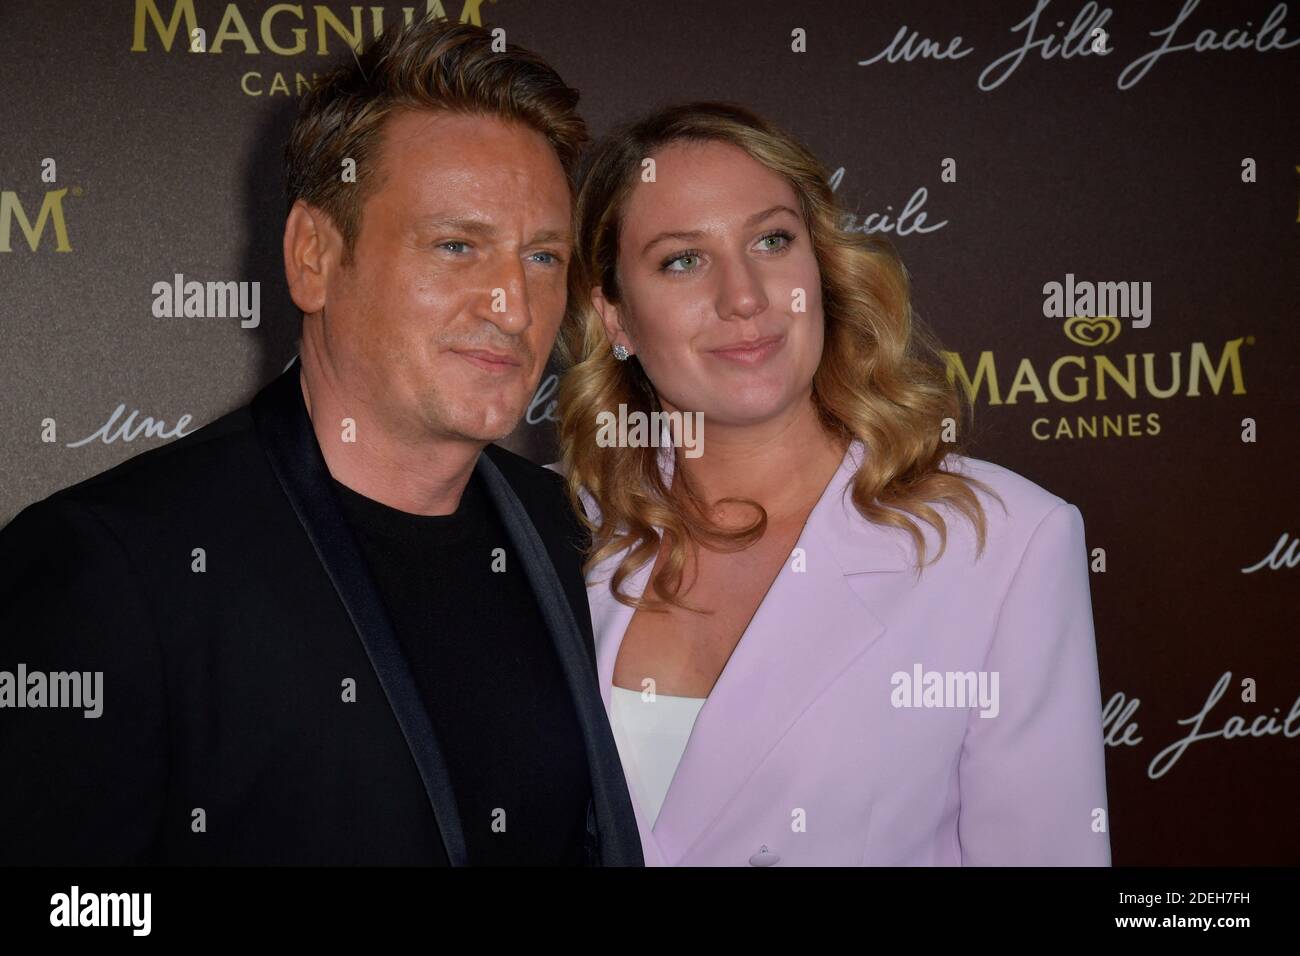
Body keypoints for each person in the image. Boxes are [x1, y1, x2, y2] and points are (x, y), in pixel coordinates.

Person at [0, 19, 642, 867]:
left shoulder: (573, 537)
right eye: (457, 246)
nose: (513, 307)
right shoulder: (113, 566)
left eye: (542, 258)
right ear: (312, 254)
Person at [552, 102, 1111, 866]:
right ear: (613, 316)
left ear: (821, 267)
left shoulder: (1002, 540)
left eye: (772, 240)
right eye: (683, 259)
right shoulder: (544, 530)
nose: (744, 296)